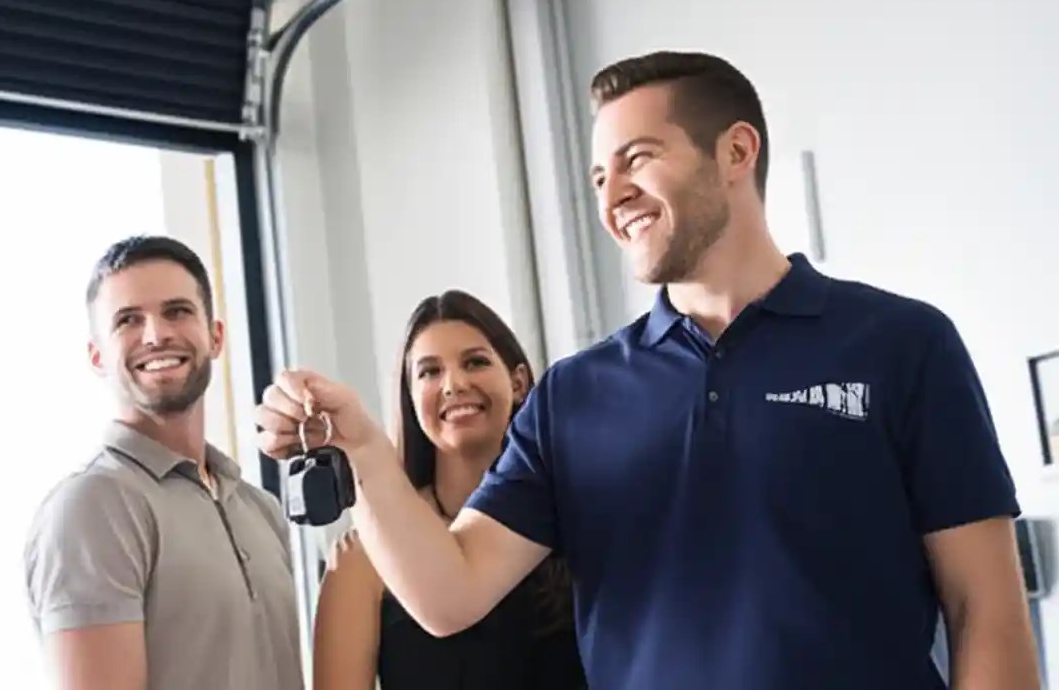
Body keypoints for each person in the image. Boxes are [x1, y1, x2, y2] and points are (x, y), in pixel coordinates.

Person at [256, 51, 1043, 689]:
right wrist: (363, 446)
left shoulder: (901, 345)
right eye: (600, 178)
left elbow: (987, 613)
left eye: (637, 159)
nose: (614, 198)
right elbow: (448, 595)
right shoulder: (574, 396)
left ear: (736, 152)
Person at [24, 235, 302, 690]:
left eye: (177, 311)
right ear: (97, 356)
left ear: (215, 336)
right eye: (128, 320)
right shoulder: (92, 507)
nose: (156, 335)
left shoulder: (261, 509)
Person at [311, 290, 587, 689]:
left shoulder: (578, 519)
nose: (453, 384)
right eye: (429, 372)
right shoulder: (361, 559)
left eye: (475, 362)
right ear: (410, 399)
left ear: (518, 382)